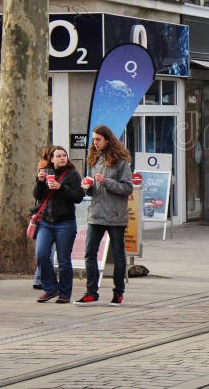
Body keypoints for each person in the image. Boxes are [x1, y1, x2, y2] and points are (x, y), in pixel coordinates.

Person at [75, 125, 133, 306]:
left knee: (118, 255)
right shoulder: (93, 159)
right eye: (93, 139)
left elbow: (127, 188)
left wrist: (106, 181)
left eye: (98, 139)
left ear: (108, 139)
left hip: (115, 215)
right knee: (89, 253)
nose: (95, 143)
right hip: (96, 213)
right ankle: (91, 291)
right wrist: (89, 186)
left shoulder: (121, 162)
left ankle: (118, 292)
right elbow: (94, 191)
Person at [33, 145, 83, 303]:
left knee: (63, 260)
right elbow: (38, 196)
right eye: (58, 156)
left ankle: (64, 293)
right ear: (52, 159)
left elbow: (78, 196)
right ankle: (50, 288)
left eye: (64, 155)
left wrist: (61, 188)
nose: (62, 158)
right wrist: (40, 182)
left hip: (65, 223)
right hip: (46, 222)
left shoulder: (73, 175)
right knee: (41, 254)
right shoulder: (46, 172)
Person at [32, 145, 55, 290]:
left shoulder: (41, 168)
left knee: (45, 250)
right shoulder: (48, 171)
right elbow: (39, 194)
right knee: (48, 250)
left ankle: (39, 278)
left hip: (45, 214)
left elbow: (36, 195)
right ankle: (42, 278)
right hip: (48, 215)